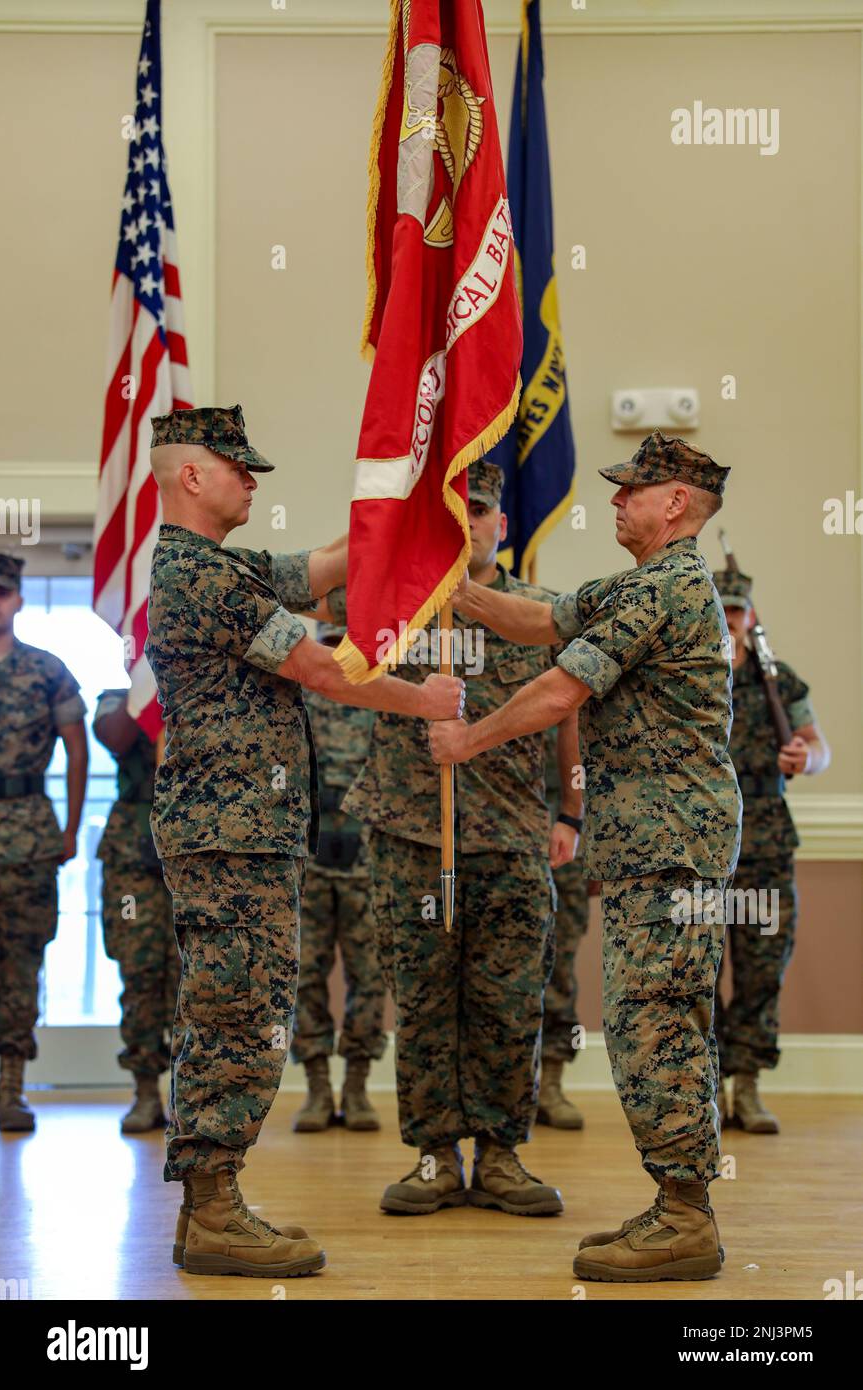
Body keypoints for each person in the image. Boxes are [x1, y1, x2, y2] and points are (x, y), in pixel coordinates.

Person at [146, 403, 464, 1279]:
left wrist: (408, 502)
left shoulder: (221, 566)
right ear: (192, 477)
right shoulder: (195, 576)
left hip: (246, 833)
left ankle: (210, 1206)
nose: (253, 481)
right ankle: (213, 1209)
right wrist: (424, 701)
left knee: (241, 1011)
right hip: (229, 836)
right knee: (234, 1016)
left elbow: (321, 568)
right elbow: (320, 668)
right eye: (240, 468)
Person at [430, 432, 742, 1282]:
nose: (614, 501)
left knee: (658, 1023)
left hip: (671, 843)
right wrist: (450, 586)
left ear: (675, 503)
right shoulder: (643, 585)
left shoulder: (670, 588)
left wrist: (471, 739)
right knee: (652, 1018)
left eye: (631, 492)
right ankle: (676, 1203)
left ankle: (686, 1216)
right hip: (654, 843)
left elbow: (559, 687)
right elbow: (539, 619)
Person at [329, 459, 578, 1218]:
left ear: (499, 526)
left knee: (509, 1002)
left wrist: (569, 815)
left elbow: (569, 712)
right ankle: (435, 1154)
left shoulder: (538, 610)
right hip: (410, 832)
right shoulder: (388, 604)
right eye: (452, 510)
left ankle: (501, 1156)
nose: (465, 523)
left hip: (510, 835)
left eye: (478, 513)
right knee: (426, 999)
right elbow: (340, 675)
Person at [713, 568, 830, 1133]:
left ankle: (748, 1084)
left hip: (765, 842)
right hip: (704, 844)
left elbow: (818, 745)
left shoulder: (778, 682)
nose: (731, 619)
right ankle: (705, 1090)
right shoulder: (690, 674)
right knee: (698, 970)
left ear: (751, 617)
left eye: (739, 611)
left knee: (762, 968)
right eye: (723, 609)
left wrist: (807, 759)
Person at [0, 552, 88, 1132]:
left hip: (28, 829)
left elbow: (78, 749)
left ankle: (11, 1088)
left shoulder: (48, 668)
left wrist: (72, 829)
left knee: (21, 961)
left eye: (2, 593)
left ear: (18, 599)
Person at [290, 624, 386, 1133]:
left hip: (367, 852)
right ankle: (317, 1087)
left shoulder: (382, 685)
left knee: (368, 975)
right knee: (305, 971)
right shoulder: (299, 683)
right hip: (307, 849)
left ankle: (357, 1084)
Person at [93, 687, 180, 1133]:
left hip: (191, 846)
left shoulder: (203, 693)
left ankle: (186, 1098)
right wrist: (147, 690)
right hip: (132, 852)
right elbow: (114, 736)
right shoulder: (117, 698)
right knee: (140, 968)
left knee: (191, 977)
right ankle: (145, 1091)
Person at [538, 724, 589, 1130]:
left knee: (560, 962)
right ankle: (510, 1086)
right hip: (498, 821)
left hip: (566, 824)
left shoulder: (581, 666)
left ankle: (552, 1082)